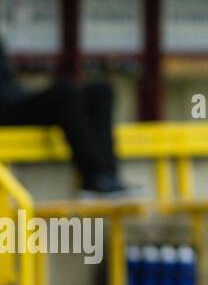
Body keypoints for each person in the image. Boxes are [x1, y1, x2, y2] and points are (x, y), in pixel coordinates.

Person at [0, 38, 129, 197]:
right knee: (65, 93)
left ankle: (109, 175)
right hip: (5, 110)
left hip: (16, 98)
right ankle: (94, 177)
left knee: (101, 91)